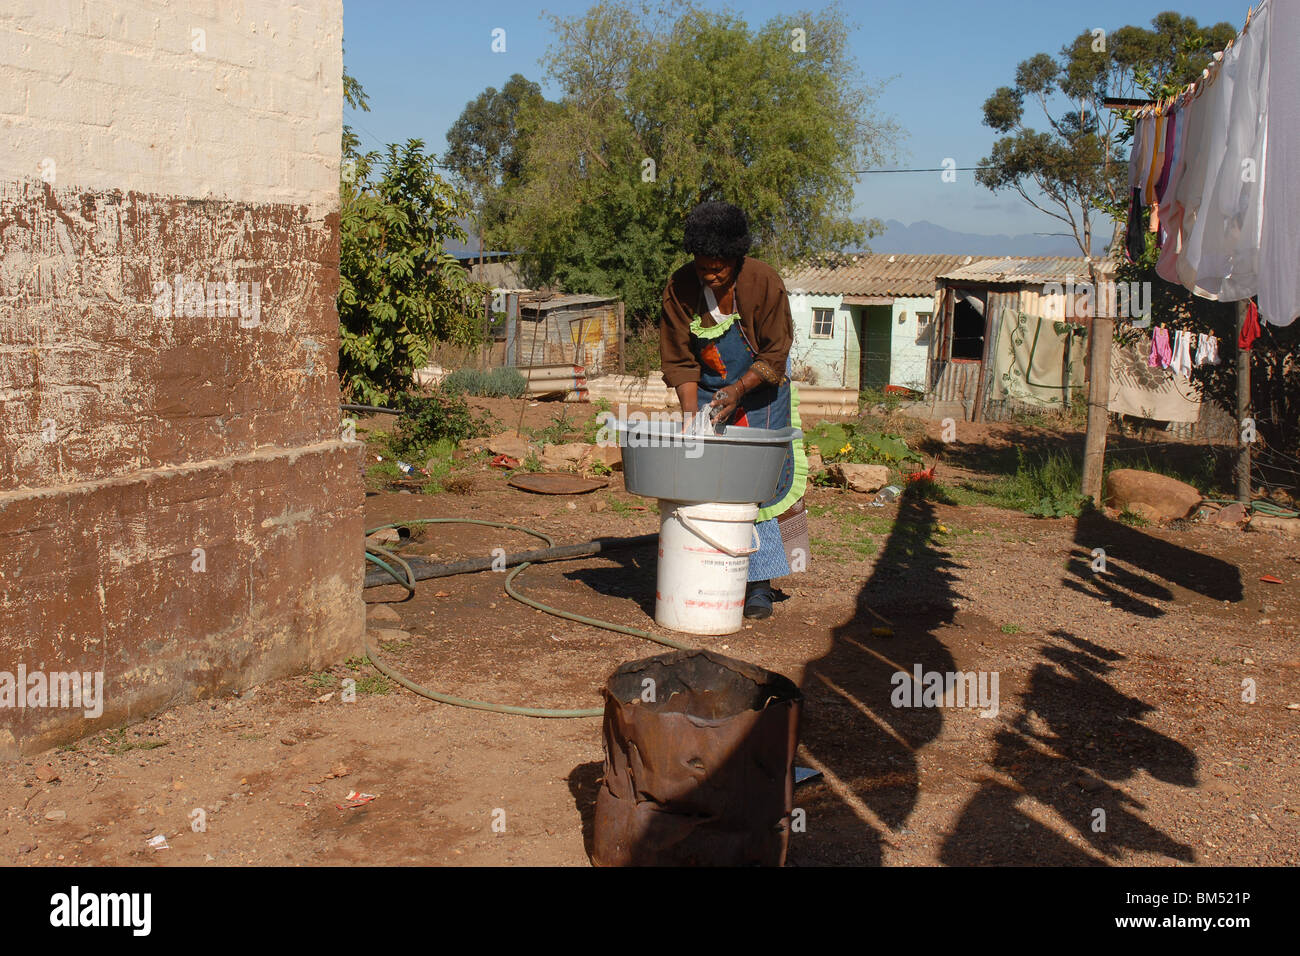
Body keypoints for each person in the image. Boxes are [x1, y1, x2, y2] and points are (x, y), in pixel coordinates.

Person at [659, 201, 809, 619]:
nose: (711, 273)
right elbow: (679, 360)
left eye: (720, 266)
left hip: (763, 386)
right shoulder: (680, 289)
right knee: (708, 476)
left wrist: (740, 389)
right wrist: (693, 419)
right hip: (709, 389)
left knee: (756, 483)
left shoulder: (764, 283)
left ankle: (758, 584)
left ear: (737, 257)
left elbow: (777, 352)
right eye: (704, 265)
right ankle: (710, 570)